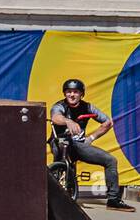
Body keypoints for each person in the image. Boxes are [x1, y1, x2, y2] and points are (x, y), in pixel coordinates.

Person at [51, 78, 134, 212]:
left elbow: (108, 122)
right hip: (61, 143)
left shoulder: (88, 107)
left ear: (81, 94)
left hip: (78, 145)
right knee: (61, 161)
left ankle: (113, 200)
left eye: (76, 92)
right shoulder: (59, 106)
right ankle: (53, 193)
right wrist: (68, 121)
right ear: (64, 93)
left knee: (111, 161)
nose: (72, 95)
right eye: (69, 92)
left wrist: (91, 138)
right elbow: (55, 117)